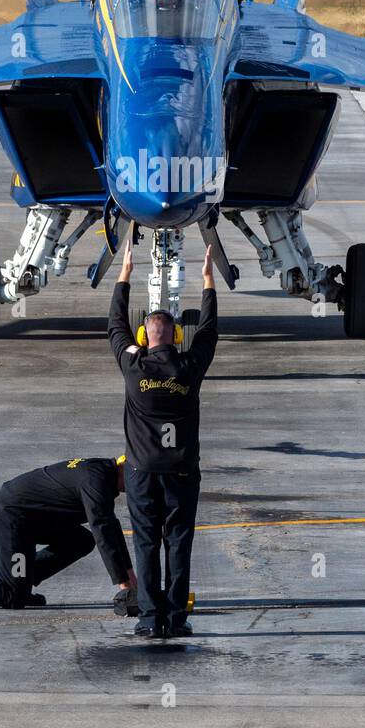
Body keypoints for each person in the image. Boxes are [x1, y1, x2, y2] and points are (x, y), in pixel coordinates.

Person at [108, 240, 218, 638]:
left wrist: (124, 274)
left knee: (146, 543)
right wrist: (207, 281)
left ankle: (149, 620)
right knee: (179, 543)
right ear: (177, 336)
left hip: (141, 472)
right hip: (181, 472)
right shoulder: (189, 366)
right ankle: (175, 618)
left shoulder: (133, 365)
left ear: (145, 336)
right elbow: (208, 331)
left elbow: (115, 325)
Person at [0, 457, 137, 614]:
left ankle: (22, 580)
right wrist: (126, 587)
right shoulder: (95, 482)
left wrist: (132, 581)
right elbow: (103, 532)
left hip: (33, 521)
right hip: (11, 519)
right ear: (127, 471)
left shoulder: (101, 473)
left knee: (81, 541)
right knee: (12, 596)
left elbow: (111, 528)